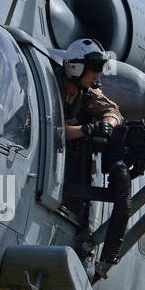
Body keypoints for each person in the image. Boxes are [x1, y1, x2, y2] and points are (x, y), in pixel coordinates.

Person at [59, 38, 131, 277]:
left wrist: (107, 126)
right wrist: (86, 131)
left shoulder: (88, 93)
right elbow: (49, 131)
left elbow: (113, 112)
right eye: (94, 71)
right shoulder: (50, 87)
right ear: (76, 68)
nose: (97, 78)